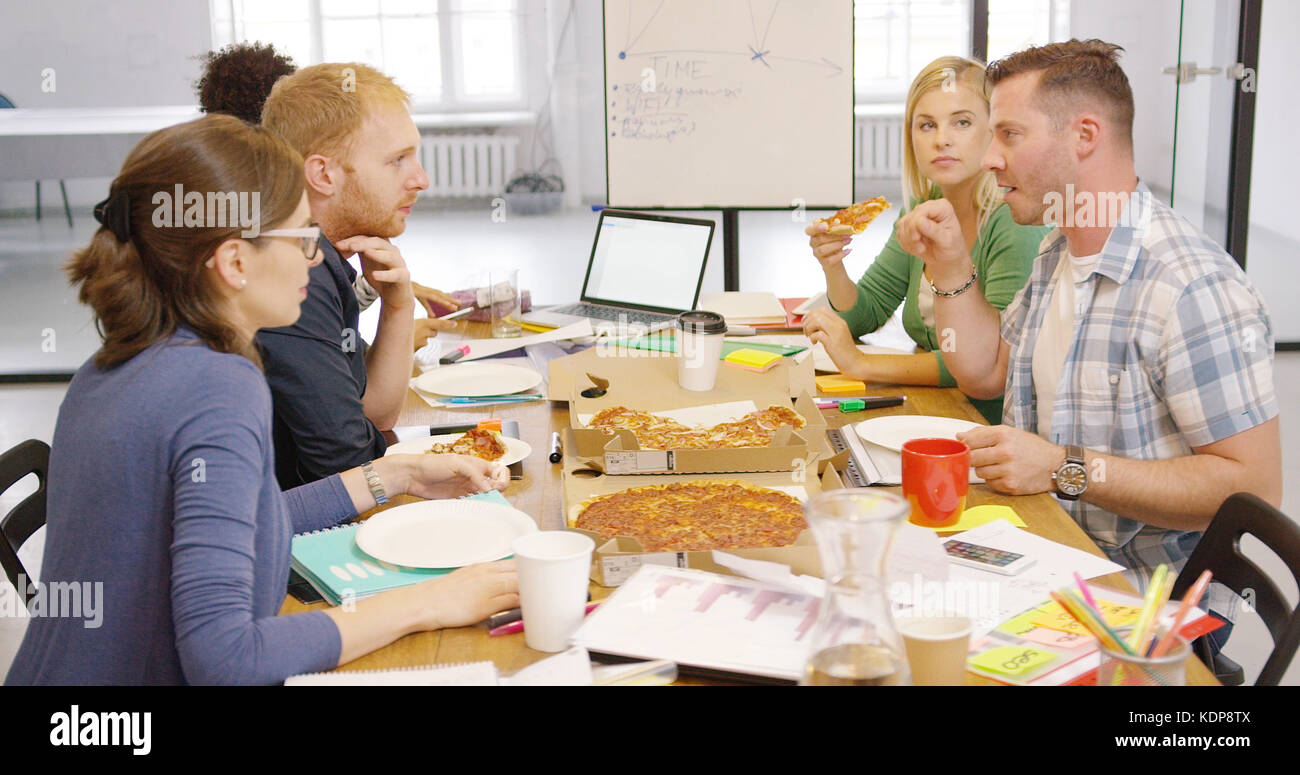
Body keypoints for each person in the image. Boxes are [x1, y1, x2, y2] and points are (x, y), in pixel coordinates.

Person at [4, 115, 518, 685]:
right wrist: (433, 602)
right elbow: (228, 659)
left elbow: (251, 524)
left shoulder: (119, 363)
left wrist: (394, 475)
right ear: (234, 263)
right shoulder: (218, 388)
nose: (316, 258)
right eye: (302, 238)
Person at [898, 40, 1281, 599]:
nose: (988, 158)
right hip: (1047, 552)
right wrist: (950, 264)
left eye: (1009, 134)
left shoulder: (1190, 285)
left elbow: (1255, 488)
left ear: (1084, 135)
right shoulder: (1059, 249)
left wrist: (1061, 468)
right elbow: (984, 372)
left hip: (1139, 604)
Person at [802, 56, 1047, 424]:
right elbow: (864, 314)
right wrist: (834, 265)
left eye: (961, 122)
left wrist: (861, 363)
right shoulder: (925, 205)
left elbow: (986, 363)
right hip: (936, 409)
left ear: (992, 131)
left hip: (990, 427)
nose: (942, 140)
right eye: (927, 125)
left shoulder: (1013, 222)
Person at [258, 62, 462, 487]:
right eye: (397, 160)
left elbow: (376, 413)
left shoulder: (321, 255)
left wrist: (398, 304)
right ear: (323, 175)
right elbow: (348, 467)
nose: (420, 179)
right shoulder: (297, 272)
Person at [195, 42, 459, 349]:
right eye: (396, 160)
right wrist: (396, 329)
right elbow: (320, 338)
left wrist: (393, 293)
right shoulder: (291, 263)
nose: (420, 180)